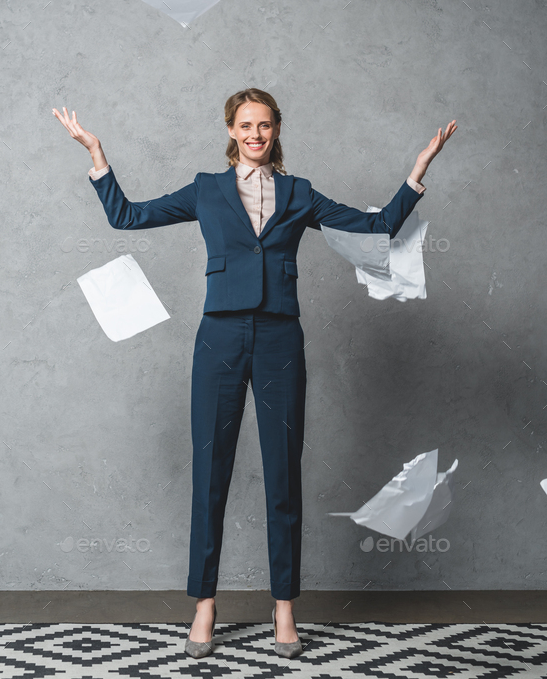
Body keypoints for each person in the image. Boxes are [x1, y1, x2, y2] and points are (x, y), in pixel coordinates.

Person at [53, 91, 457, 659]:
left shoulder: (300, 193)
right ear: (230, 129)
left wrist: (417, 172)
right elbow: (128, 216)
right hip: (218, 336)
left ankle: (284, 606)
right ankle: (204, 604)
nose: (255, 134)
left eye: (264, 125)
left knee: (282, 474)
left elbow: (376, 227)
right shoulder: (206, 189)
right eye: (245, 125)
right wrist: (96, 154)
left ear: (276, 130)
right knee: (209, 471)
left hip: (278, 339)